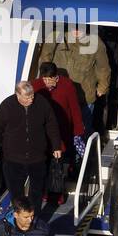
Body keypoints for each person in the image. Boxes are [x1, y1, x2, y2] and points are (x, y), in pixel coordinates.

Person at [0, 82, 63, 212]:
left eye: (32, 96)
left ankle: (35, 218)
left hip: (37, 157)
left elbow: (52, 124)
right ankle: (20, 220)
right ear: (17, 95)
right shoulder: (7, 105)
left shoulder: (41, 103)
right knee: (16, 194)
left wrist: (56, 146)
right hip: (13, 159)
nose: (30, 100)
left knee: (36, 192)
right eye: (27, 97)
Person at [39, 25, 110, 134]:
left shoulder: (96, 42)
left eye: (80, 27)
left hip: (83, 95)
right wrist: (47, 77)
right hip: (60, 93)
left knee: (83, 129)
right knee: (59, 127)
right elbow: (45, 57)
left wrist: (102, 86)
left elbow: (103, 67)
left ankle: (82, 149)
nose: (76, 30)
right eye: (74, 26)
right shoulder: (57, 35)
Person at [31, 62, 85, 205]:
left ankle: (56, 193)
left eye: (51, 79)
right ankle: (42, 191)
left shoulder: (67, 85)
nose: (48, 83)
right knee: (42, 163)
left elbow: (74, 108)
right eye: (45, 79)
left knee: (57, 165)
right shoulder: (35, 85)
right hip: (41, 133)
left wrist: (78, 130)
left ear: (57, 77)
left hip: (61, 131)